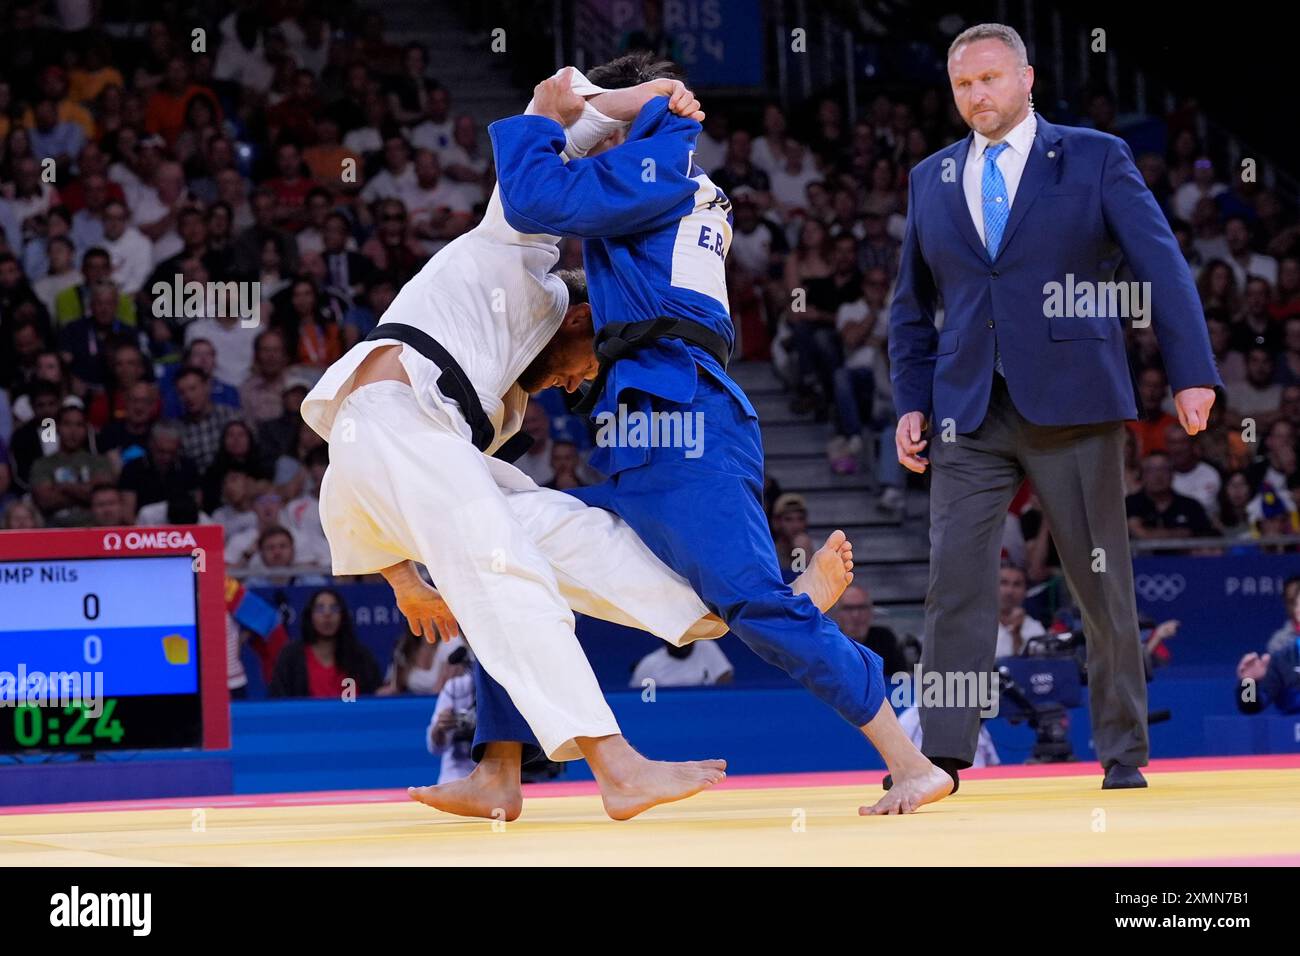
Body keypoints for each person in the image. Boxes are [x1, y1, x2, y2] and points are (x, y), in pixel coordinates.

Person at [484, 57, 951, 815]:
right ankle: (497, 766)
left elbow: (536, 195)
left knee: (751, 605)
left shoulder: (657, 168)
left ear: (626, 115)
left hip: (683, 419)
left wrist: (542, 111)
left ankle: (912, 761)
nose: (584, 133)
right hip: (652, 418)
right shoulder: (671, 174)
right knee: (500, 553)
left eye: (595, 121)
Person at [301, 69, 736, 821]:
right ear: (578, 321)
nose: (575, 387)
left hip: (415, 445)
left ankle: (727, 609)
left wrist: (402, 579)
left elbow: (359, 478)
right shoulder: (517, 253)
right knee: (504, 566)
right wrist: (643, 99)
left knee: (566, 531)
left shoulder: (500, 410)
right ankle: (617, 766)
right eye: (586, 369)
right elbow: (554, 103)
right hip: (388, 417)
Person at [888, 23, 1219, 791]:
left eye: (991, 79)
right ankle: (940, 755)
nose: (978, 96)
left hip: (1072, 403)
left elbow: (1160, 265)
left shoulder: (1094, 156)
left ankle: (1123, 751)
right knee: (954, 584)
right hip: (967, 410)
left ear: (1027, 78)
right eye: (964, 85)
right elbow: (912, 305)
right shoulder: (930, 177)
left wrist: (1191, 371)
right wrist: (911, 399)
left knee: (1099, 581)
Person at [268, 588, 383, 698]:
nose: (327, 614)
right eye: (320, 608)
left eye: (334, 608)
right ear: (310, 616)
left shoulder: (360, 656)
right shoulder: (291, 656)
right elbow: (278, 697)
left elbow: (374, 696)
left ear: (342, 616)